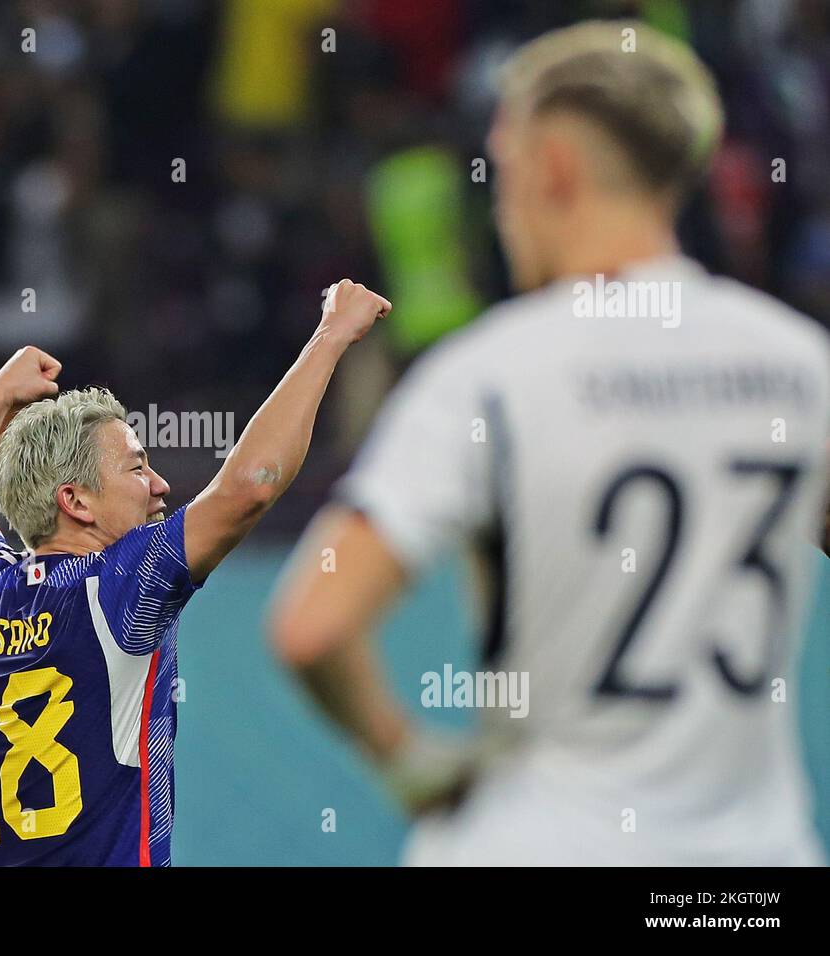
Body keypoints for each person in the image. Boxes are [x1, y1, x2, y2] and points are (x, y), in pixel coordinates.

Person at [267, 20, 830, 865]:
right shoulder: (797, 364)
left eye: (506, 171)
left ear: (556, 165)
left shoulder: (491, 375)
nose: (499, 207)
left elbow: (312, 625)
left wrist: (410, 763)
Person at [0, 279, 391, 865]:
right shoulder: (121, 585)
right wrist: (330, 336)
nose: (161, 485)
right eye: (137, 467)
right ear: (77, 502)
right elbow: (250, 487)